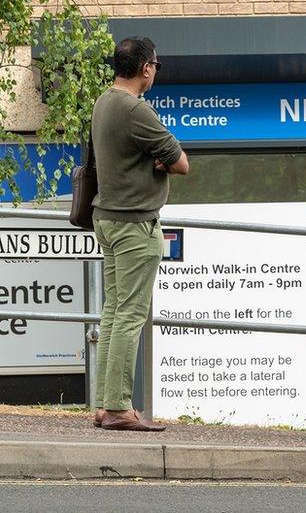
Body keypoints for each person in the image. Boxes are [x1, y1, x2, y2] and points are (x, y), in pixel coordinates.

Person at [91, 37, 189, 432]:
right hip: (135, 223)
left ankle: (103, 404)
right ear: (146, 68)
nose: (155, 73)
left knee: (113, 311)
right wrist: (161, 164)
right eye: (156, 67)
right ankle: (118, 407)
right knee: (131, 315)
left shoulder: (102, 102)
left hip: (107, 218)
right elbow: (181, 162)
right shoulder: (136, 110)